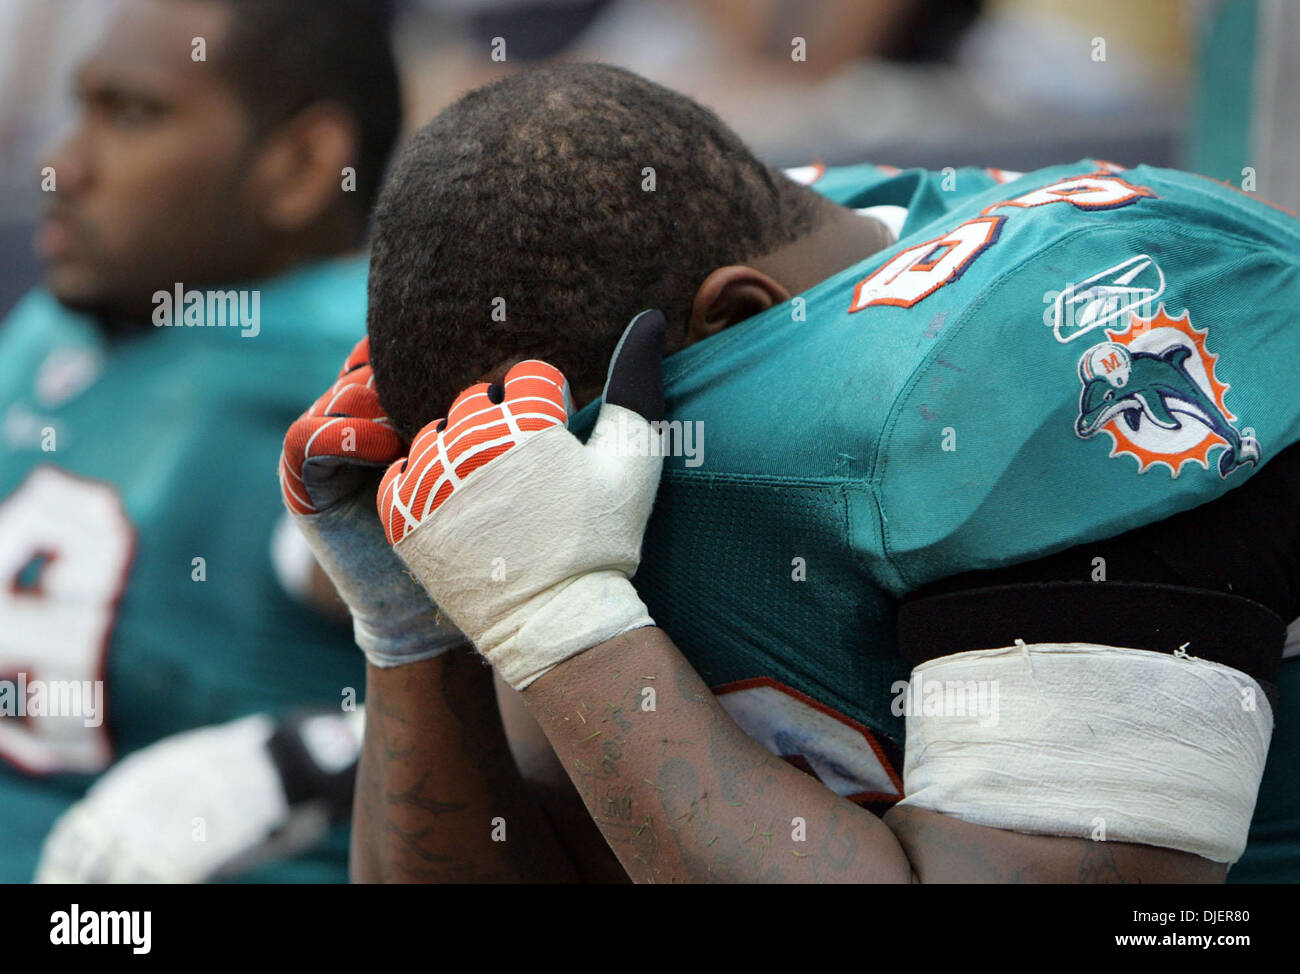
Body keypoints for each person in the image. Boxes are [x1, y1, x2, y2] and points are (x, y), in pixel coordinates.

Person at [333, 62, 1300, 881]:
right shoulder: (763, 251)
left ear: (737, 315)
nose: (515, 497)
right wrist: (410, 624)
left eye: (527, 473)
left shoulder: (1037, 350)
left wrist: (563, 623)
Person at [2, 0, 401, 883]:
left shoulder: (370, 364)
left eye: (133, 113)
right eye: (80, 110)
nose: (61, 164)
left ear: (299, 166)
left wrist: (318, 758)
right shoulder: (57, 328)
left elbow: (559, 688)